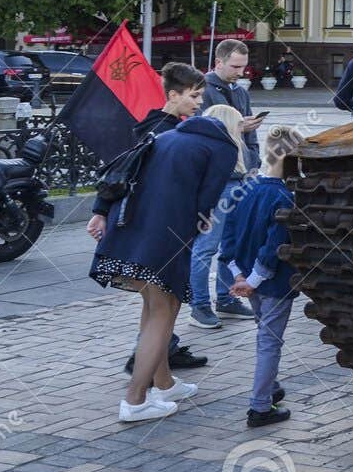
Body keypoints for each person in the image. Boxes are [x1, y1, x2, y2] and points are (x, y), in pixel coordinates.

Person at [88, 110, 239, 422]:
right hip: (164, 237)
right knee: (163, 310)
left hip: (128, 228)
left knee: (156, 306)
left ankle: (164, 384)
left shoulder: (168, 136)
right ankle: (135, 400)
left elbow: (125, 169)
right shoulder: (223, 148)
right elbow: (207, 200)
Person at [85, 63, 214, 376]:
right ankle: (143, 382)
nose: (199, 103)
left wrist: (100, 210)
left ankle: (160, 375)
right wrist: (101, 211)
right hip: (155, 231)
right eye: (194, 96)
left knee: (159, 306)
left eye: (200, 96)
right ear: (173, 95)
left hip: (152, 229)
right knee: (162, 307)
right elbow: (126, 171)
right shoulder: (163, 132)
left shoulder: (160, 127)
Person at [222, 124, 299, 427]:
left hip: (245, 280)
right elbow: (274, 247)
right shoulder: (284, 198)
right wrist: (253, 280)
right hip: (273, 283)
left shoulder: (246, 189)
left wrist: (239, 277)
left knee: (263, 335)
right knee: (270, 342)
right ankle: (260, 406)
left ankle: (270, 387)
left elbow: (227, 239)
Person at [188, 105, 253, 328]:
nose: (242, 128)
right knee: (206, 249)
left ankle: (225, 299)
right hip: (221, 192)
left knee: (229, 248)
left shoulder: (231, 145)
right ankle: (199, 305)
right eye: (238, 124)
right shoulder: (213, 146)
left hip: (235, 186)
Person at [203, 39, 265, 170]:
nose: (241, 73)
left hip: (244, 170)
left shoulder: (241, 92)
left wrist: (253, 161)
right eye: (236, 67)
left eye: (244, 67)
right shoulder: (201, 91)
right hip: (216, 169)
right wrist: (238, 127)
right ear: (218, 63)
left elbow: (251, 138)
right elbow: (200, 132)